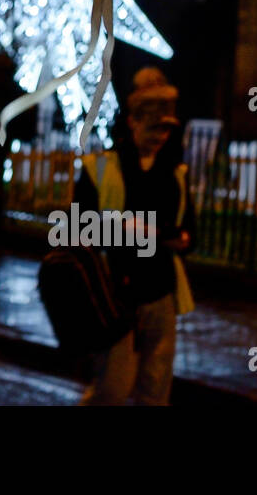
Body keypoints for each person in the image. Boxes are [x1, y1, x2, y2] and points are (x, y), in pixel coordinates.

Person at [73, 70, 195, 405]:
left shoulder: (174, 175)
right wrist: (146, 232)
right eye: (154, 127)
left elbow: (189, 236)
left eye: (167, 129)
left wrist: (162, 235)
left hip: (159, 296)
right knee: (112, 389)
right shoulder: (99, 168)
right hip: (114, 296)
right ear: (133, 122)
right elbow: (78, 230)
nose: (160, 136)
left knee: (154, 391)